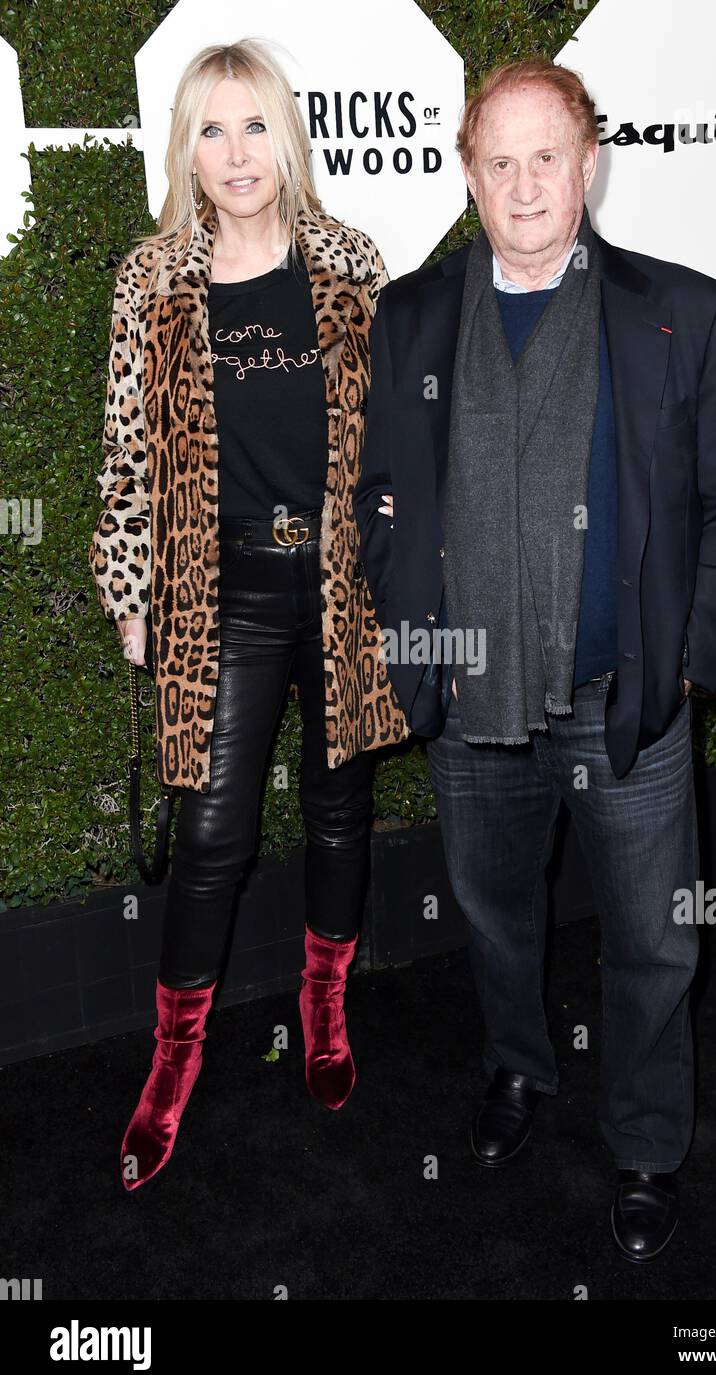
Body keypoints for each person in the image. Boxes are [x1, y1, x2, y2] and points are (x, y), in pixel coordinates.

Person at [355, 59, 716, 1262]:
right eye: (499, 161)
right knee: (494, 917)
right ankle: (518, 1072)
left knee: (653, 939)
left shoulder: (684, 314)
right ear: (467, 174)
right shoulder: (411, 316)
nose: (524, 184)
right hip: (468, 691)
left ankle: (642, 1143)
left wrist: (688, 662)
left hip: (622, 699)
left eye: (548, 156)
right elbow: (380, 500)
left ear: (589, 162)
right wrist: (410, 638)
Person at [88, 38, 407, 1192]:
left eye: (253, 125)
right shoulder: (153, 277)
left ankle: (325, 1020)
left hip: (341, 590)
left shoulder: (349, 264)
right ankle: (168, 1073)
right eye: (210, 130)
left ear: (286, 135)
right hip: (219, 593)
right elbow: (127, 447)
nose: (234, 154)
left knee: (337, 811)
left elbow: (391, 444)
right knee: (211, 839)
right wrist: (133, 589)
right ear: (187, 145)